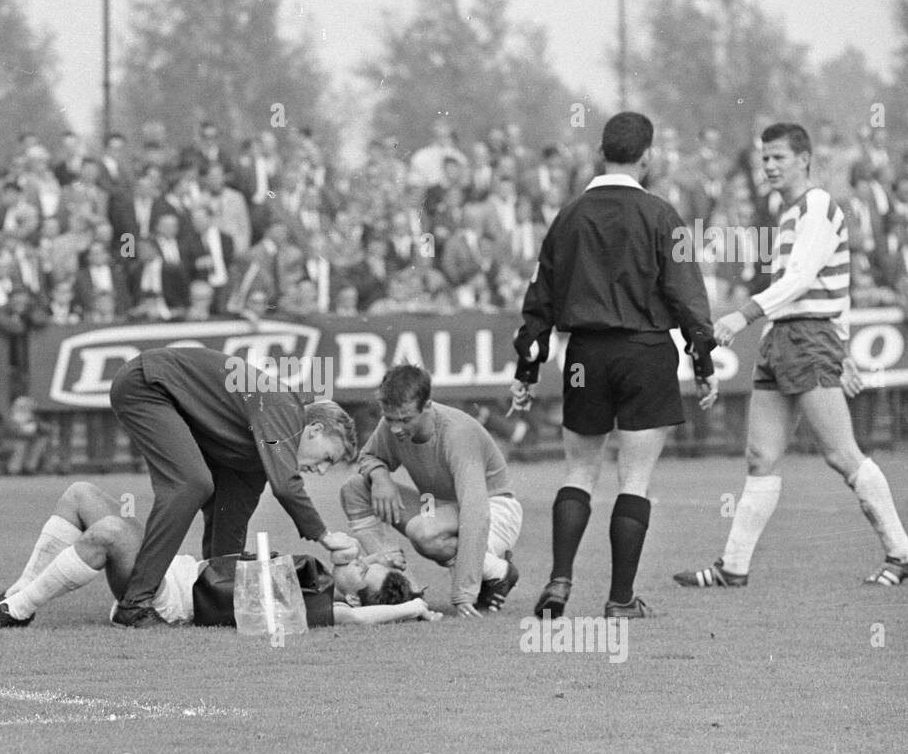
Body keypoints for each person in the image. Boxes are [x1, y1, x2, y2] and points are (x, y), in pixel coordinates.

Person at [676, 123, 908, 590]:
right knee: (759, 457)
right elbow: (827, 285)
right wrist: (838, 346)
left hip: (807, 339)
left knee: (840, 454)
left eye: (778, 158)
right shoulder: (790, 212)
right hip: (783, 339)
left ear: (804, 159)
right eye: (765, 158)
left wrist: (741, 316)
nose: (769, 166)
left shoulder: (817, 206)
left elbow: (803, 279)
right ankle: (733, 566)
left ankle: (902, 553)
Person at [511, 111, 719, 620]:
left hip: (585, 354)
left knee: (579, 470)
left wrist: (527, 370)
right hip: (646, 352)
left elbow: (539, 298)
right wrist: (703, 358)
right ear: (647, 157)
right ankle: (620, 600)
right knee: (634, 479)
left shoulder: (569, 216)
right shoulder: (663, 215)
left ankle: (560, 578)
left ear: (603, 152)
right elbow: (687, 294)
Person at [0, 482, 441, 628]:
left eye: (363, 575)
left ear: (360, 600)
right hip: (177, 569)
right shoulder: (319, 571)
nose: (357, 566)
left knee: (108, 533)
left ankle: (16, 610)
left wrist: (411, 607)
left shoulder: (318, 603)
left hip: (168, 601)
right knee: (80, 494)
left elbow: (358, 621)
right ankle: (17, 593)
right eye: (365, 564)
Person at [106, 346, 359, 628]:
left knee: (228, 514)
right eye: (327, 458)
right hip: (147, 384)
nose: (322, 471)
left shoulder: (259, 453)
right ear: (314, 430)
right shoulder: (285, 408)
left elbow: (229, 528)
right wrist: (324, 535)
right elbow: (286, 486)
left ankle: (205, 600)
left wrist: (225, 594)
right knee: (190, 484)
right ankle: (134, 604)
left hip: (166, 395)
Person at [341, 364, 522, 618]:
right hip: (439, 508)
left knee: (424, 532)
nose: (395, 428)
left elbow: (475, 512)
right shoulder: (393, 422)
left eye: (405, 420)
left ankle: (497, 571)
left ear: (427, 406)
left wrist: (464, 592)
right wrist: (380, 476)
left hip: (495, 509)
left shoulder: (458, 434)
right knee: (355, 488)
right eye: (390, 419)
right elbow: (369, 456)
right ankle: (406, 594)